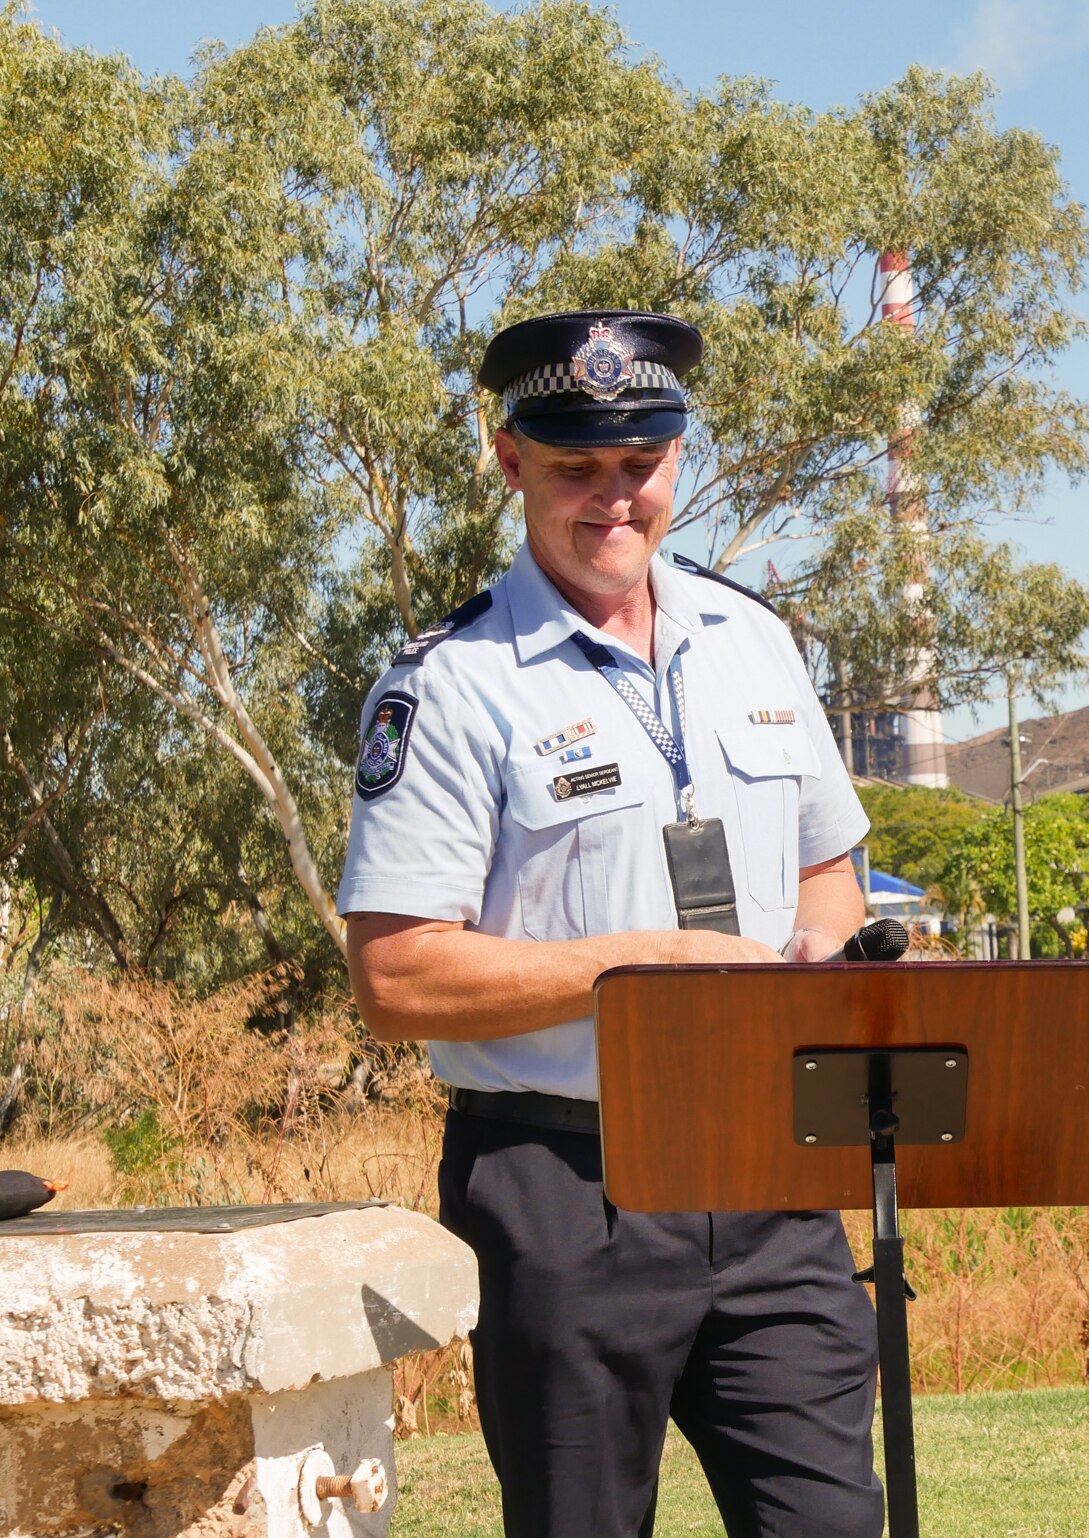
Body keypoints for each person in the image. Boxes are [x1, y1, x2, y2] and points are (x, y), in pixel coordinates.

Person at [338, 311, 883, 1538]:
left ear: (678, 455)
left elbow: (827, 867)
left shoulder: (756, 642)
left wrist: (817, 948)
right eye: (576, 466)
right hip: (562, 1184)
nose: (614, 497)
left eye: (639, 462)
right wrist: (649, 967)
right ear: (509, 458)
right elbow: (396, 978)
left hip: (768, 1165)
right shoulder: (450, 682)